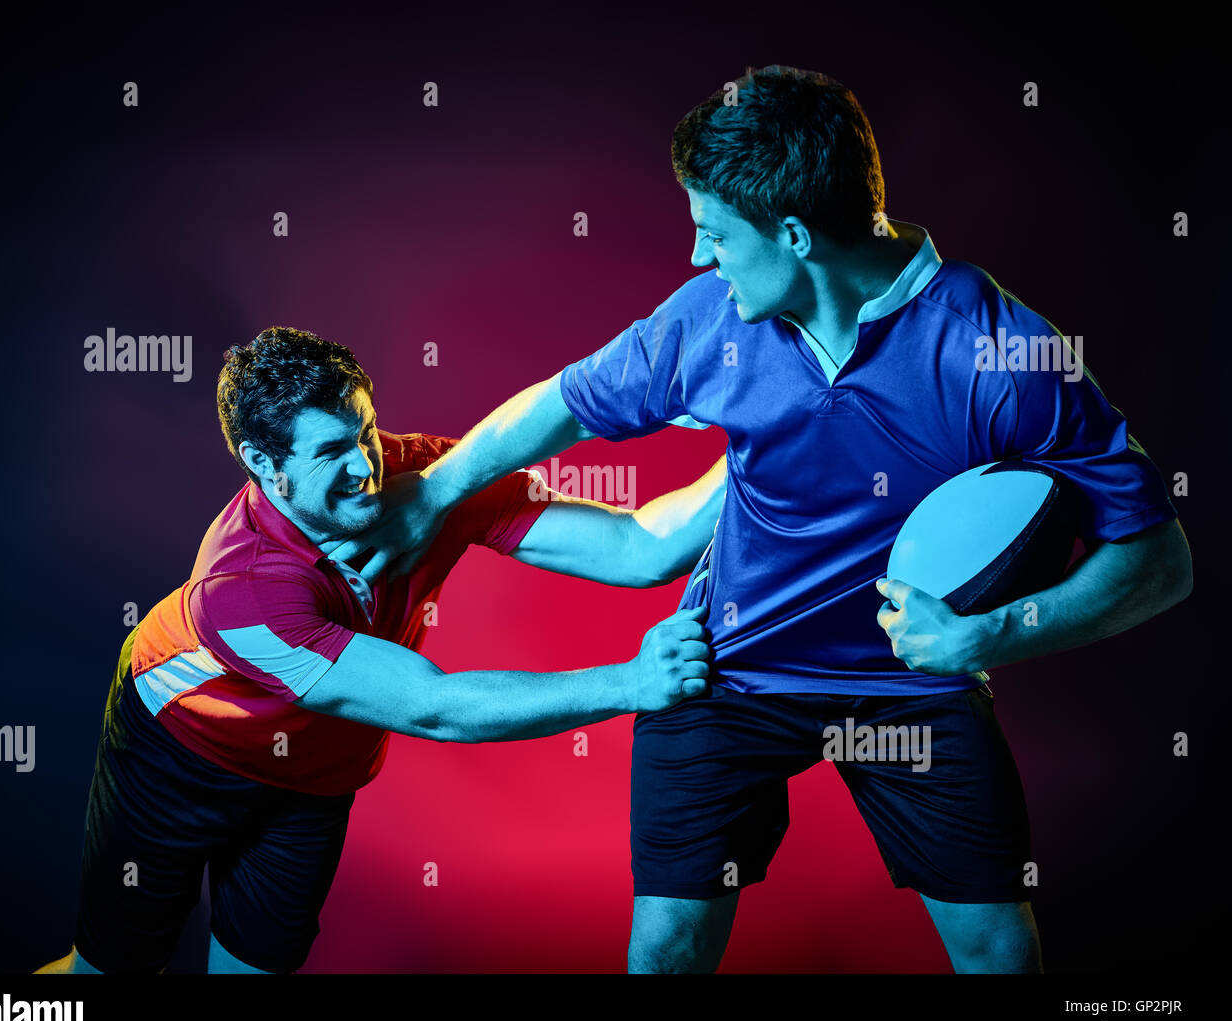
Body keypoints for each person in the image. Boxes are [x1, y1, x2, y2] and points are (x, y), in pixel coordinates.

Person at [330, 66, 1194, 974]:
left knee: (1000, 958)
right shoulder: (713, 319)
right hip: (728, 674)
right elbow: (564, 407)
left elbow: (1158, 562)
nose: (699, 260)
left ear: (793, 235)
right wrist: (432, 494)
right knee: (663, 950)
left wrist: (992, 634)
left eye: (713, 236)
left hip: (909, 691)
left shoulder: (999, 352)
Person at [36, 326, 724, 974]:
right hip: (178, 754)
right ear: (262, 463)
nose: (364, 465)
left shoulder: (424, 475)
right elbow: (435, 706)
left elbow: (641, 548)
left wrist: (774, 443)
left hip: (315, 772)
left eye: (364, 431)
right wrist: (631, 684)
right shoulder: (242, 591)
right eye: (330, 451)